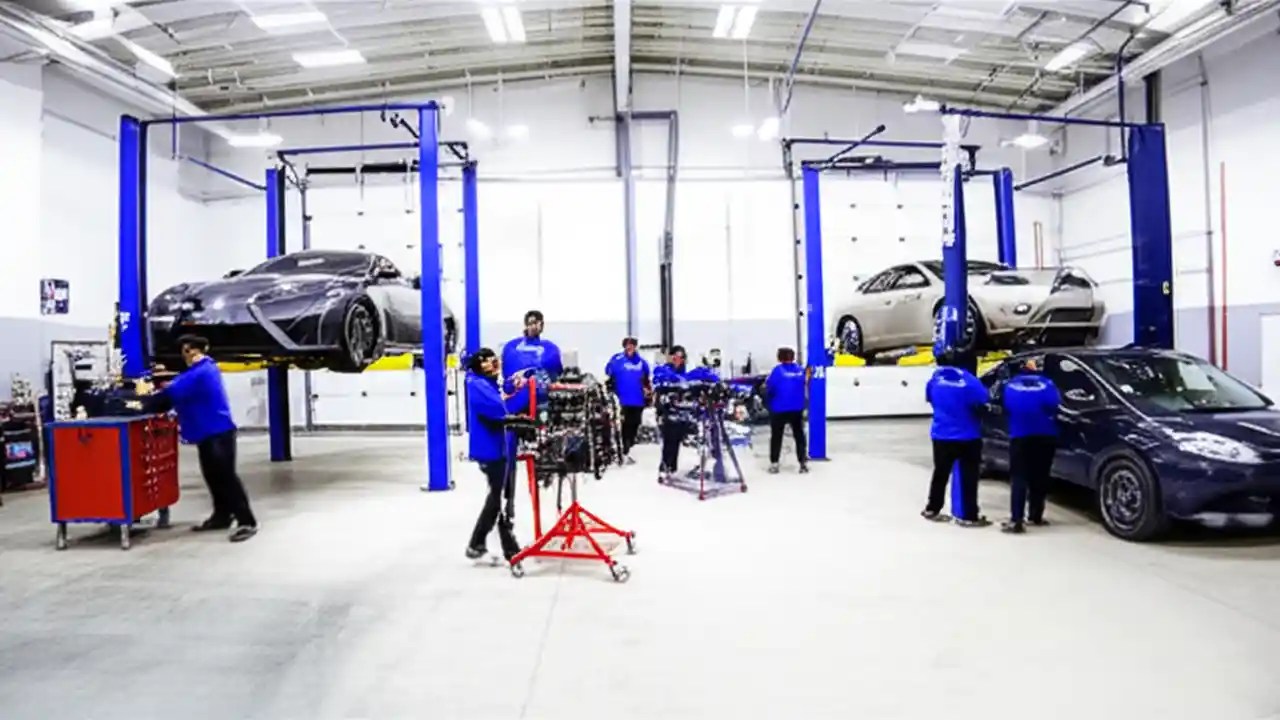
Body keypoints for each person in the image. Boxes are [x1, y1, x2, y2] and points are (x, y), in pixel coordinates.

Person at [148, 335, 258, 542]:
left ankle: (247, 521)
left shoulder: (201, 372)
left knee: (226, 478)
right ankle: (222, 516)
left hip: (216, 433)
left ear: (191, 350)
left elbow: (170, 394)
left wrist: (141, 404)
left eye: (185, 351)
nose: (185, 356)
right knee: (214, 478)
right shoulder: (203, 370)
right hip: (208, 433)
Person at [463, 348, 523, 561]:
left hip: (496, 447)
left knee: (499, 497)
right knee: (498, 499)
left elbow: (498, 395)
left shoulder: (482, 382)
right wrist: (513, 415)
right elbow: (497, 407)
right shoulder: (475, 383)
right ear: (480, 363)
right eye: (490, 362)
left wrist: (509, 385)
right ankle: (500, 547)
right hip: (489, 449)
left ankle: (480, 544)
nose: (494, 365)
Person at [923, 348, 990, 527]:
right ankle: (969, 516)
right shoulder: (970, 382)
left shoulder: (935, 380)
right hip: (967, 435)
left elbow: (930, 400)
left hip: (940, 434)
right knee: (969, 476)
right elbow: (984, 401)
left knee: (940, 473)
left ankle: (932, 508)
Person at [1001, 357, 1061, 534]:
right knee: (1040, 476)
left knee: (1019, 477)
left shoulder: (1010, 386)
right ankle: (1036, 516)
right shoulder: (1048, 385)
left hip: (1020, 436)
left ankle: (1016, 520)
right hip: (1046, 436)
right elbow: (1055, 405)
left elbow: (1005, 407)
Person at [605, 337, 651, 463]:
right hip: (622, 401)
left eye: (632, 345)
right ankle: (622, 451)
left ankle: (628, 449)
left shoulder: (641, 362)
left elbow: (647, 380)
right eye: (627, 345)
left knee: (634, 425)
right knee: (623, 427)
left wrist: (648, 395)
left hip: (637, 400)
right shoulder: (617, 360)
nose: (630, 347)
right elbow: (608, 374)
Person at [764, 347, 808, 474]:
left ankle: (774, 464)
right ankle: (803, 463)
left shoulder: (777, 371)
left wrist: (768, 403)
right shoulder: (800, 370)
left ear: (780, 357)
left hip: (779, 409)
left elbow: (770, 388)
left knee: (776, 437)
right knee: (799, 436)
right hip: (797, 409)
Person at [654, 345, 690, 479]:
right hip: (666, 411)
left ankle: (672, 467)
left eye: (681, 357)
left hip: (681, 412)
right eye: (675, 356)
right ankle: (664, 467)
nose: (677, 359)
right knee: (669, 439)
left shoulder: (685, 373)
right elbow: (658, 385)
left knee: (677, 440)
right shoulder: (663, 371)